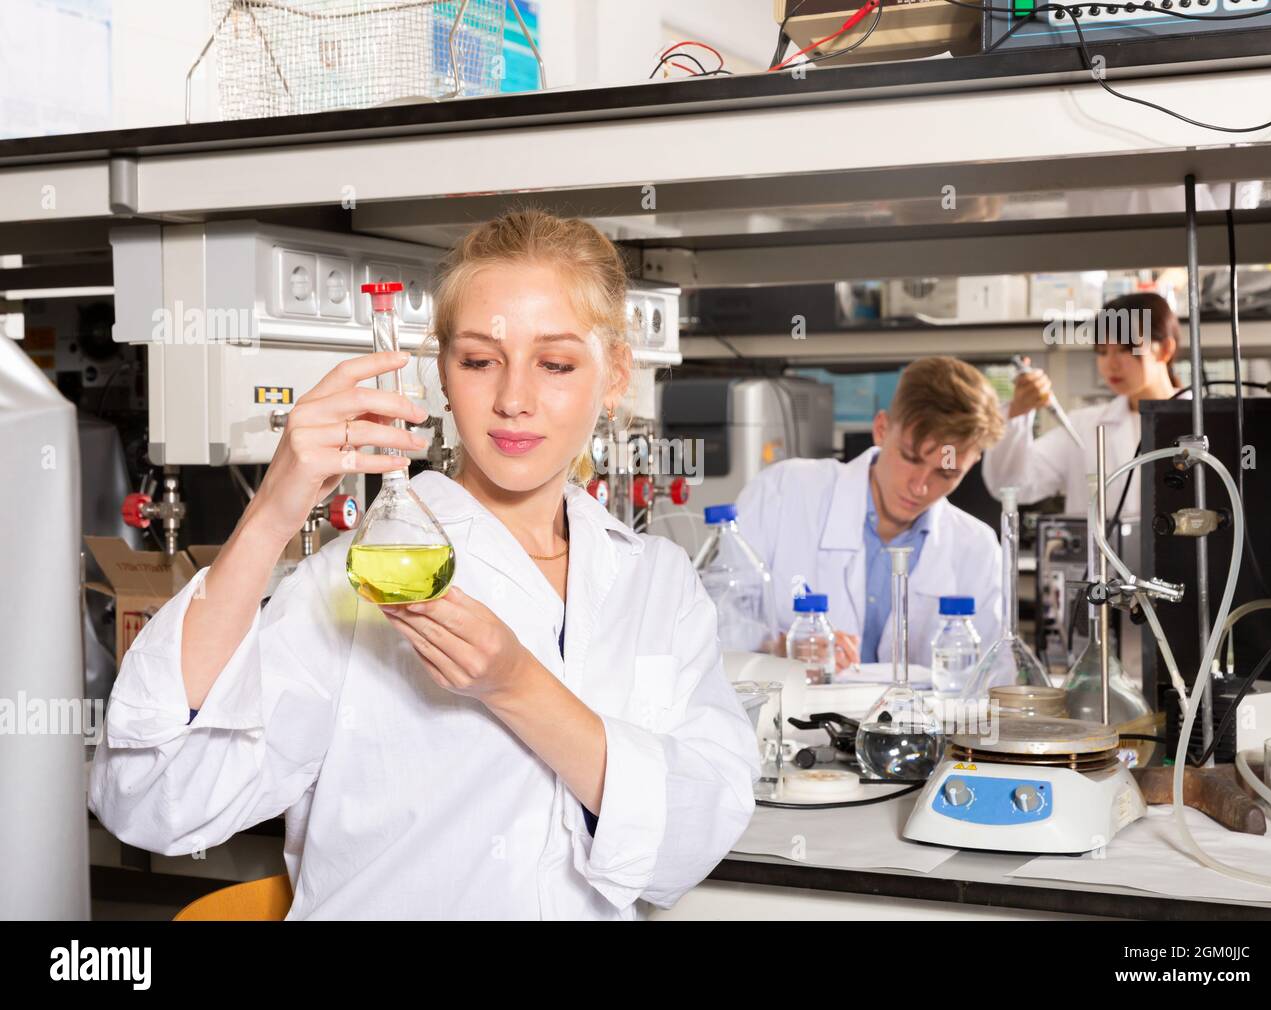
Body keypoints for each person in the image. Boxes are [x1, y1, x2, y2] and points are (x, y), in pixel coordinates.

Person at [88, 210, 759, 920]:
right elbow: (149, 800)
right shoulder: (363, 580)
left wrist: (518, 687)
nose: (513, 400)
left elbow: (691, 838)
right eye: (478, 360)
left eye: (556, 363)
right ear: (442, 371)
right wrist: (270, 515)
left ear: (615, 374)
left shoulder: (656, 581)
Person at [736, 356, 1007, 673]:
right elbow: (718, 620)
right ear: (881, 429)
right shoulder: (782, 492)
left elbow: (993, 679)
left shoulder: (977, 547)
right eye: (910, 458)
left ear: (971, 463)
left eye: (946, 474)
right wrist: (781, 647)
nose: (920, 487)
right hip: (788, 720)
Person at [982, 292, 1183, 519]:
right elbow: (1010, 486)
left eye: (1126, 349)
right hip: (1101, 555)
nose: (1111, 364)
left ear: (1165, 349)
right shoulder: (1083, 427)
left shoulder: (1205, 422)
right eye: (1102, 352)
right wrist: (1018, 411)